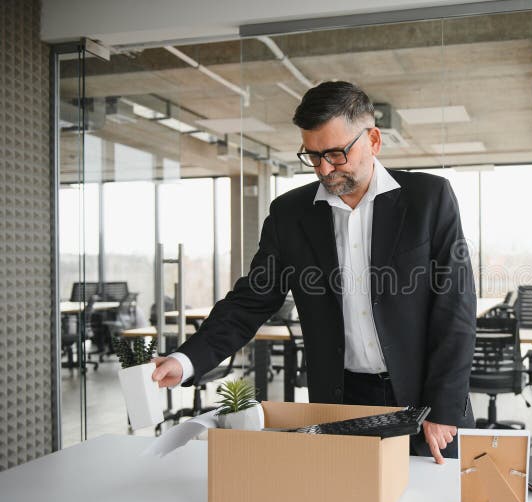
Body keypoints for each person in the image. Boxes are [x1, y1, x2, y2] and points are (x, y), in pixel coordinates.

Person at [152, 81, 476, 462]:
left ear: (373, 140)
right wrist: (186, 360)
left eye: (337, 154)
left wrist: (442, 407)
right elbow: (250, 301)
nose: (324, 168)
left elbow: (455, 310)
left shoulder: (429, 199)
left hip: (426, 403)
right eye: (313, 155)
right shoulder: (290, 214)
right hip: (341, 403)